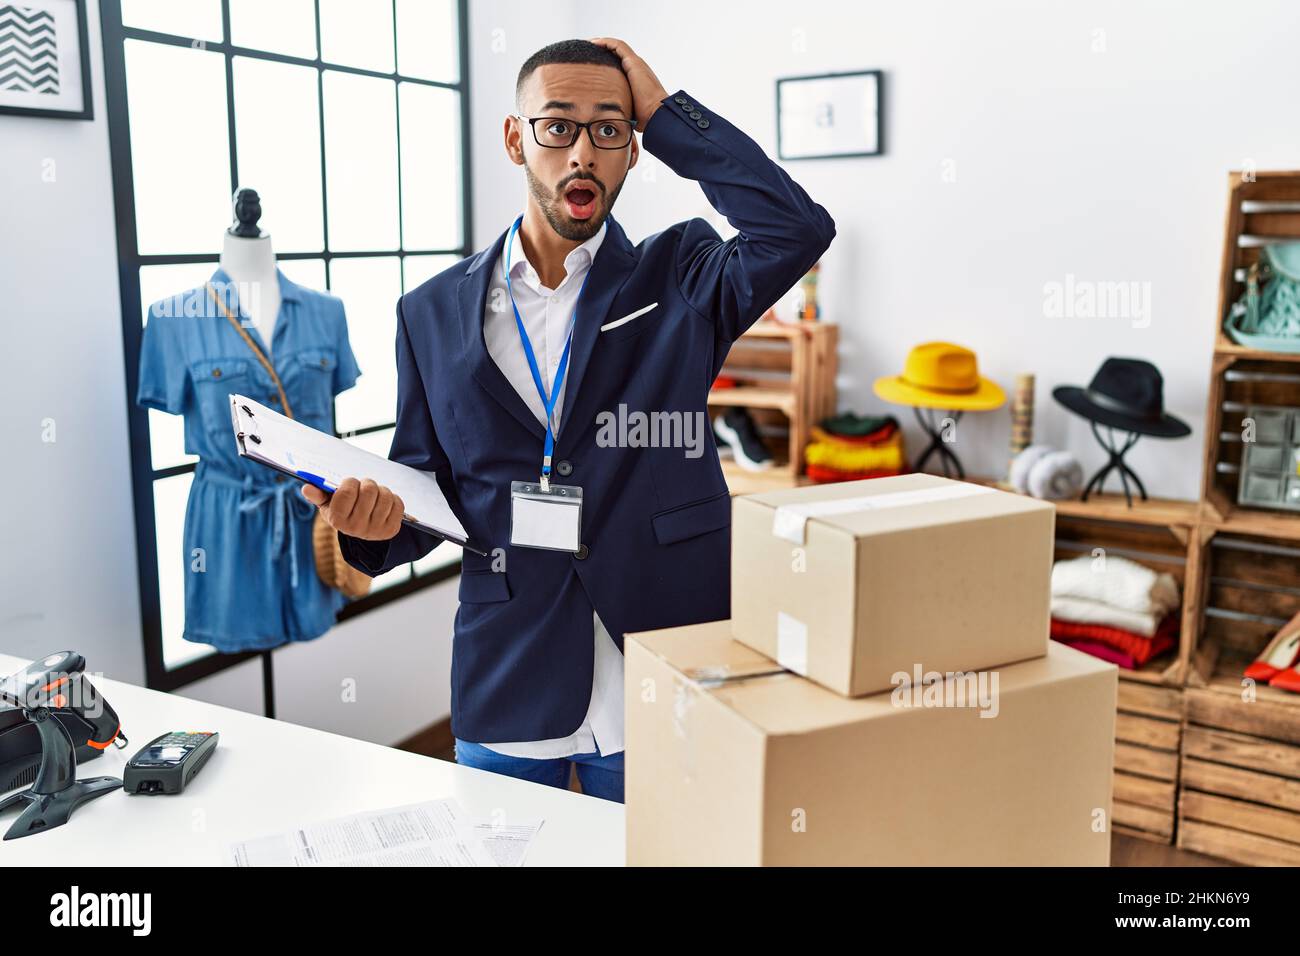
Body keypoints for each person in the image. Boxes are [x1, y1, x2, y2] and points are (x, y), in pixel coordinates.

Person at [303, 37, 835, 803]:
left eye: (608, 130)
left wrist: (664, 112)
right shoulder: (428, 313)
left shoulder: (681, 274)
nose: (582, 152)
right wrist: (372, 522)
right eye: (558, 127)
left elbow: (796, 230)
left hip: (669, 654)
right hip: (510, 667)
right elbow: (430, 489)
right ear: (517, 139)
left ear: (633, 151)